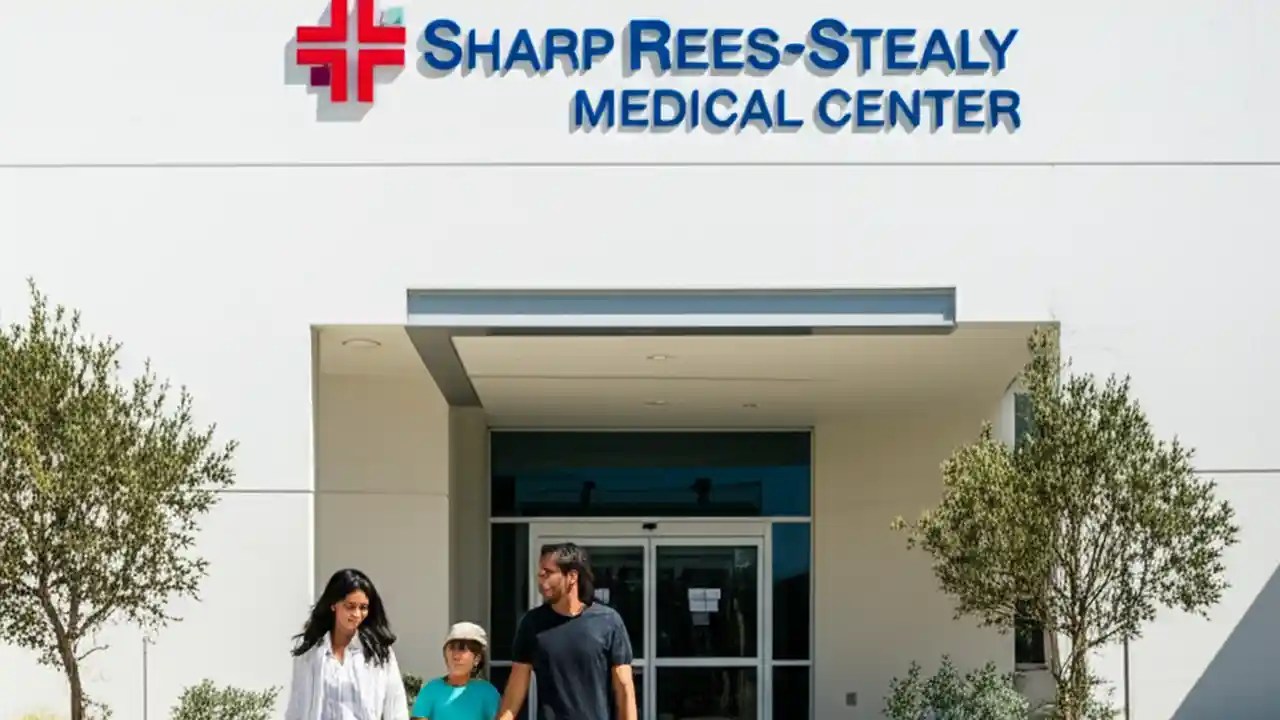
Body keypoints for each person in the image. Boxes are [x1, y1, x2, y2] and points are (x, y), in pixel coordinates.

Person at [496, 542, 638, 720]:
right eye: (540, 573)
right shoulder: (532, 624)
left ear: (572, 576)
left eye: (548, 572)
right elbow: (515, 689)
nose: (541, 578)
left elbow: (624, 687)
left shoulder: (608, 622)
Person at [284, 568, 409, 720]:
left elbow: (396, 708)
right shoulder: (310, 654)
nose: (357, 614)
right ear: (333, 605)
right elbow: (296, 709)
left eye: (363, 607)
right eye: (350, 606)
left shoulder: (379, 653)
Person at [410, 621, 501, 719]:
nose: (456, 656)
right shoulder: (431, 689)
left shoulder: (487, 692)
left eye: (462, 649)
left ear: (477, 659)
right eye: (452, 649)